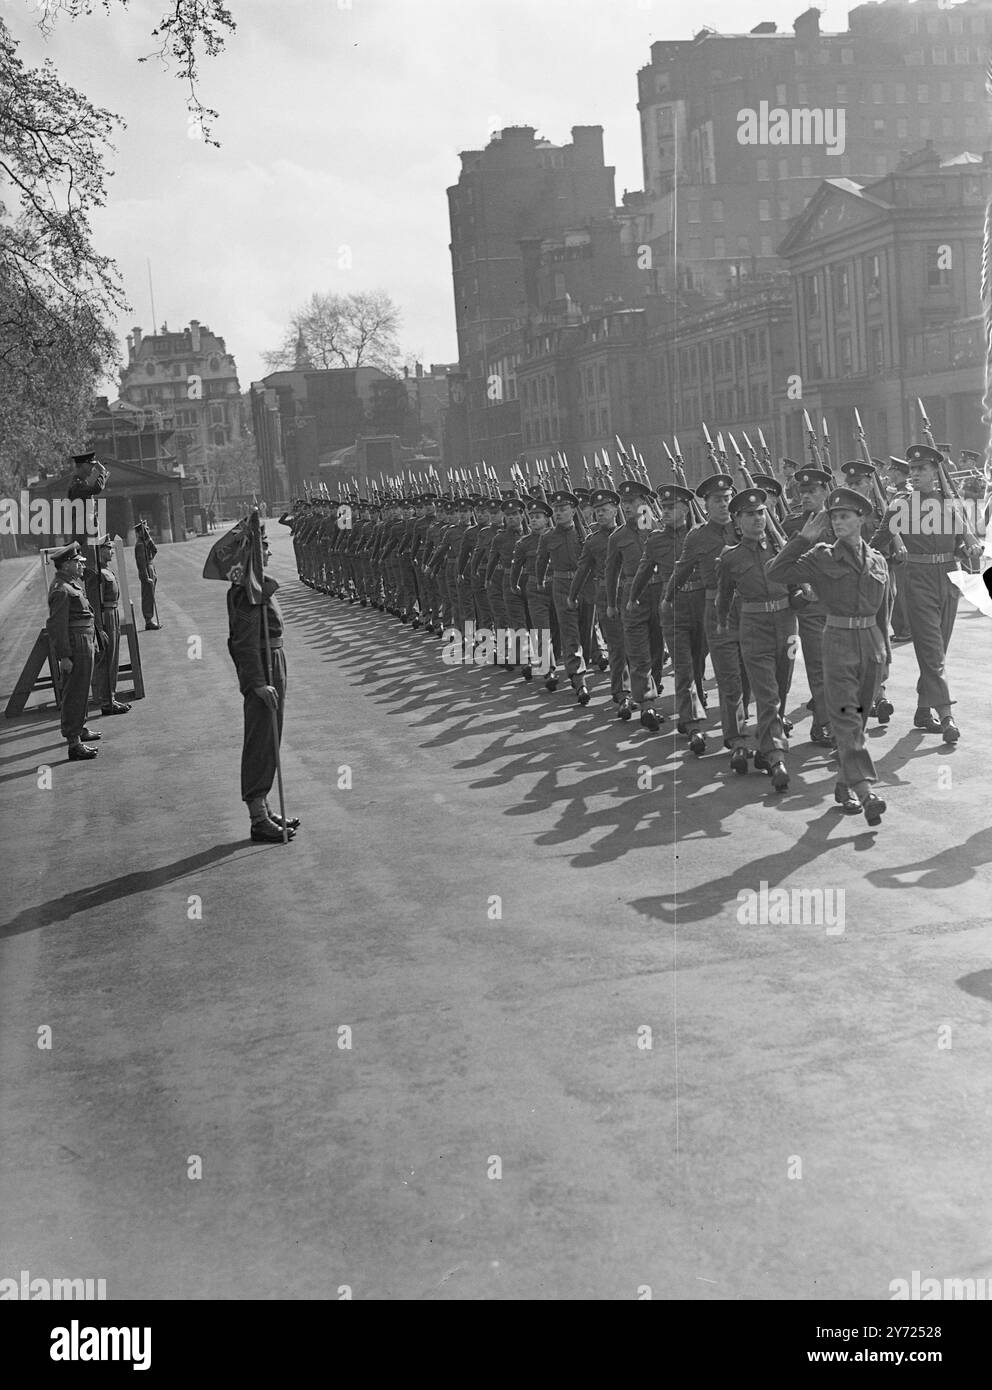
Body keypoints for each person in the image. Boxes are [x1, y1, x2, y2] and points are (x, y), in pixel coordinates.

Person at [767, 487, 890, 825]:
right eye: (833, 517)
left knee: (858, 722)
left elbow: (884, 612)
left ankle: (842, 784)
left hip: (872, 644)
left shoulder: (877, 559)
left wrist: (886, 655)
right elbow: (776, 573)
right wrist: (802, 539)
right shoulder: (821, 556)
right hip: (838, 643)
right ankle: (866, 792)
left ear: (861, 519)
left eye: (844, 516)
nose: (837, 522)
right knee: (848, 720)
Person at [224, 525, 300, 844]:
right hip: (262, 666)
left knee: (271, 737)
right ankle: (257, 816)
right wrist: (256, 683)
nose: (269, 552)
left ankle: (265, 807)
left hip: (273, 660)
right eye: (264, 548)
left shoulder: (256, 588)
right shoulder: (246, 593)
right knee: (260, 739)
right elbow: (242, 643)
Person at [715, 489, 796, 792]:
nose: (757, 519)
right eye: (749, 515)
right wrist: (723, 623)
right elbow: (723, 598)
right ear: (737, 522)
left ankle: (764, 747)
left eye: (760, 513)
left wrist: (801, 592)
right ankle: (776, 757)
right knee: (767, 693)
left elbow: (798, 582)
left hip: (787, 624)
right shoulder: (730, 557)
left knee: (782, 686)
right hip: (754, 629)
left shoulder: (782, 548)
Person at [46, 542, 105, 760]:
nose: (82, 566)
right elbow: (57, 626)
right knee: (74, 693)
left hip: (84, 641)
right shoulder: (61, 590)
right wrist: (63, 656)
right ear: (66, 565)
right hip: (75, 645)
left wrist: (93, 641)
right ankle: (73, 742)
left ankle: (80, 728)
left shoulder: (72, 584)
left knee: (82, 689)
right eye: (78, 563)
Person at [85, 534, 132, 717]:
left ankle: (111, 697)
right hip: (104, 617)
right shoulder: (95, 573)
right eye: (108, 548)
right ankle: (106, 701)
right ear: (99, 550)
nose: (111, 551)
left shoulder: (107, 570)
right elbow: (94, 604)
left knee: (113, 660)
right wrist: (99, 628)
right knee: (105, 661)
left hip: (112, 614)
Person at [134, 520, 160, 629]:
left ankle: (150, 619)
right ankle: (148, 620)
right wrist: (146, 577)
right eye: (145, 531)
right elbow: (141, 564)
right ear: (140, 533)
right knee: (148, 597)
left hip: (150, 568)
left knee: (151, 595)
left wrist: (149, 539)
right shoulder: (140, 545)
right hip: (146, 571)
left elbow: (154, 550)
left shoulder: (146, 543)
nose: (147, 532)